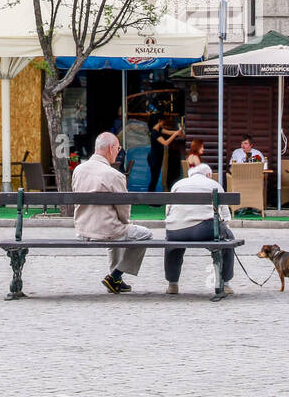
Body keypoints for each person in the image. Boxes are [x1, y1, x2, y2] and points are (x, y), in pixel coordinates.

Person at [72, 130, 154, 294]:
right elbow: (124, 212)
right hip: (107, 230)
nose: (118, 153)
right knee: (144, 234)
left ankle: (116, 280)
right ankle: (115, 275)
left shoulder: (78, 170)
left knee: (116, 229)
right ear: (110, 149)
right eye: (118, 149)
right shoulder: (114, 175)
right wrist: (126, 223)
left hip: (82, 229)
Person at [164, 162, 235, 295]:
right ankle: (225, 283)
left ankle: (172, 283)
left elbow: (168, 211)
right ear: (208, 175)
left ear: (189, 175)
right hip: (204, 230)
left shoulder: (178, 184)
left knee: (172, 244)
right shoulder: (214, 184)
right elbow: (225, 215)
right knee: (228, 238)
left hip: (176, 232)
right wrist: (225, 228)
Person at [148, 114, 183, 191]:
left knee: (155, 179)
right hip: (154, 158)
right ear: (159, 121)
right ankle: (150, 199)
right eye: (162, 121)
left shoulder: (159, 129)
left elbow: (168, 132)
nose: (163, 123)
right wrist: (175, 134)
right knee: (154, 179)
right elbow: (165, 143)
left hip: (157, 157)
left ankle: (152, 199)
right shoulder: (154, 132)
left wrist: (177, 132)